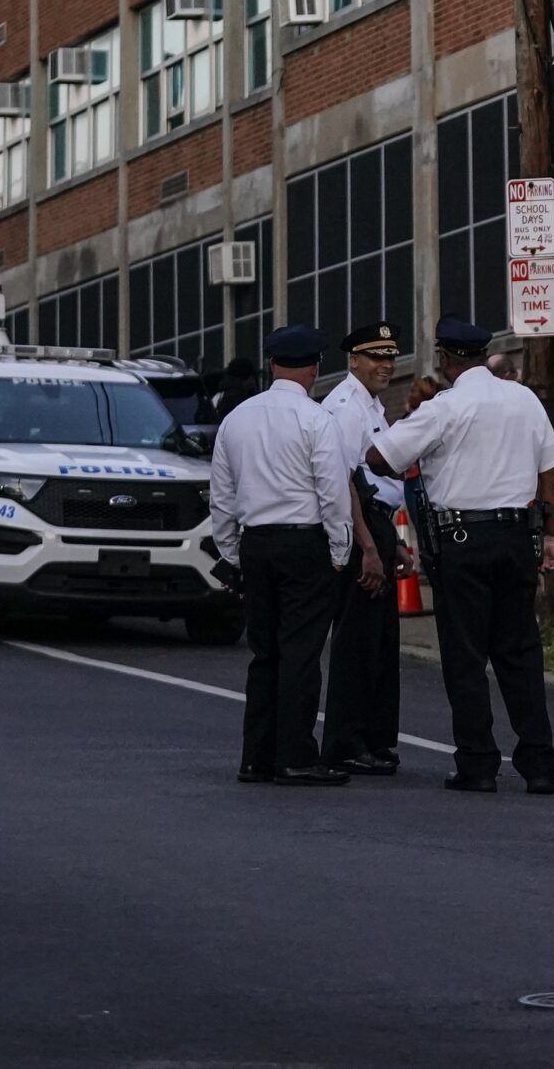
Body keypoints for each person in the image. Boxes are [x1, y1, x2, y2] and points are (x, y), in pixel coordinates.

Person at [368, 316, 554, 794]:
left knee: (466, 655)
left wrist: (427, 452)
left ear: (445, 358)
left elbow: (380, 458)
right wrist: (552, 535)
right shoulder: (524, 399)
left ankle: (478, 763)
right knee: (520, 652)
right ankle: (538, 763)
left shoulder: (445, 407)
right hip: (518, 537)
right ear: (482, 354)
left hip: (461, 541)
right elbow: (552, 471)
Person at [207, 325, 356, 786]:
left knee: (264, 652)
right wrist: (339, 549)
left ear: (270, 365)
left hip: (256, 543)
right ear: (314, 369)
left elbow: (222, 494)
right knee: (301, 653)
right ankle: (294, 755)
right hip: (304, 542)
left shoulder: (236, 419)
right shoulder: (316, 419)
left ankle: (256, 756)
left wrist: (231, 551)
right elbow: (332, 492)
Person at [320, 322, 407, 776]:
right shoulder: (343, 407)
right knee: (356, 641)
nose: (386, 365)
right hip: (358, 528)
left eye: (390, 357)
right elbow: (343, 482)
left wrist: (394, 540)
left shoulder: (370, 404)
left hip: (377, 524)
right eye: (376, 357)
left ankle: (375, 738)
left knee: (380, 641)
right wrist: (369, 547)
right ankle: (344, 742)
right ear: (353, 360)